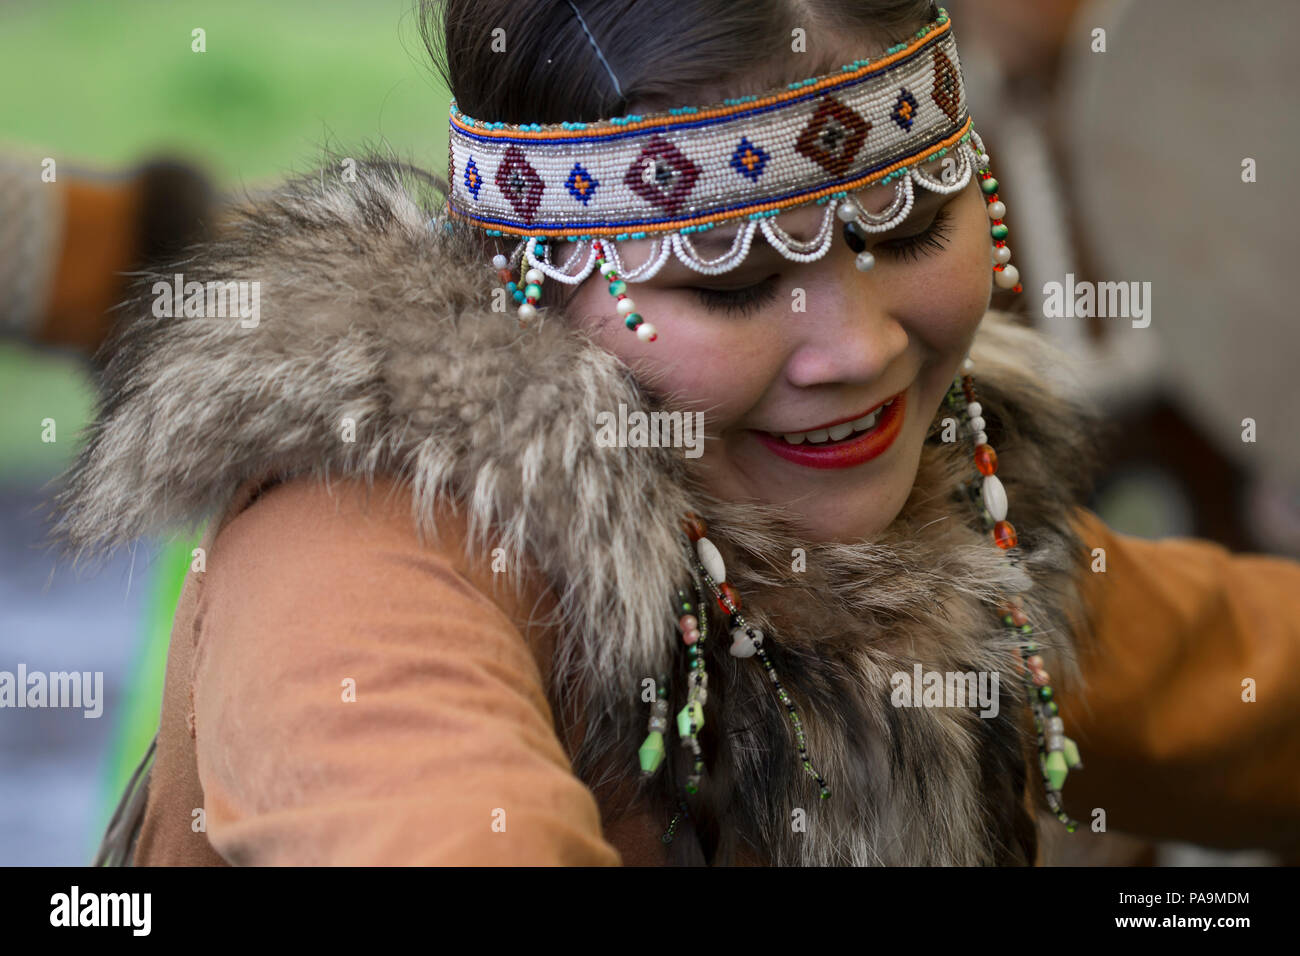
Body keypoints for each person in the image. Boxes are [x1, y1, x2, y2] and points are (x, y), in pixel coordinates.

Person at [58, 0, 1299, 866]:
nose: (858, 348)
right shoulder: (368, 554)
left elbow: (1240, 689)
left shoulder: (933, 518)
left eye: (910, 227)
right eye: (732, 281)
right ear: (533, 281)